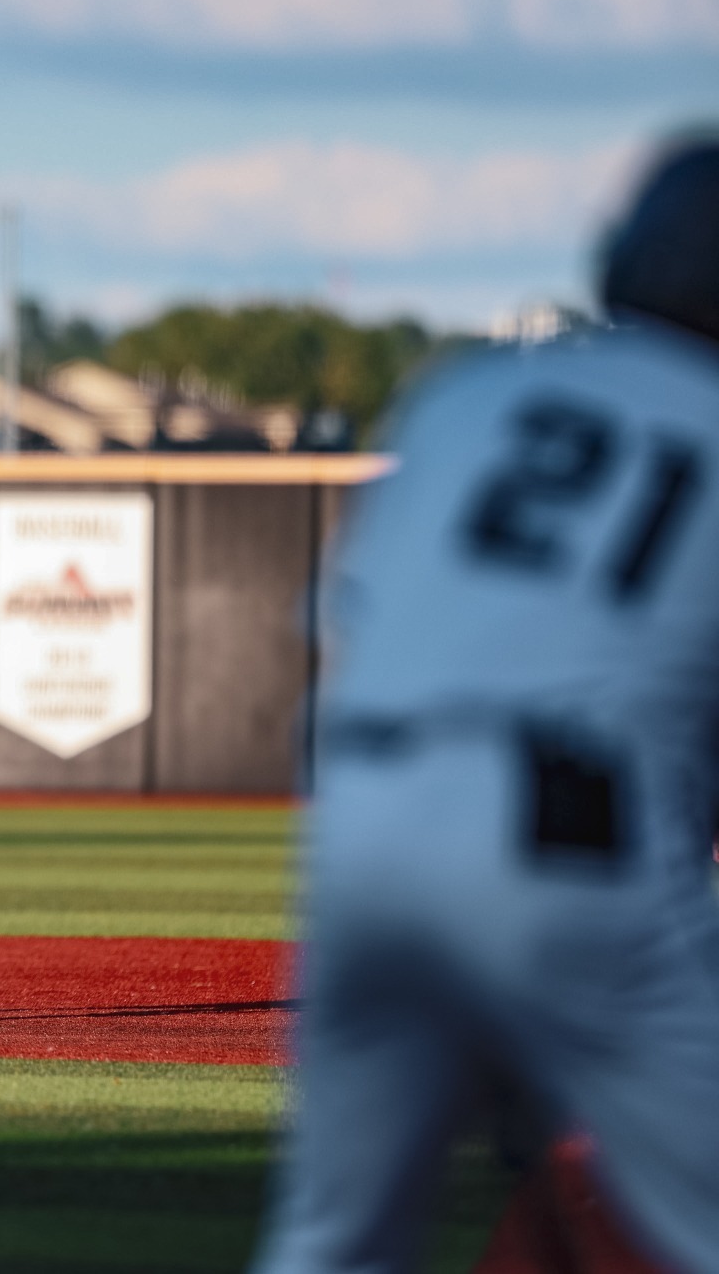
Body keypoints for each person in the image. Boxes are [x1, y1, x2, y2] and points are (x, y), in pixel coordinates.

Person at [252, 139, 719, 1271]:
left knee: (331, 1242)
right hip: (571, 834)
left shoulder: (465, 392)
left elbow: (356, 628)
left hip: (362, 825)